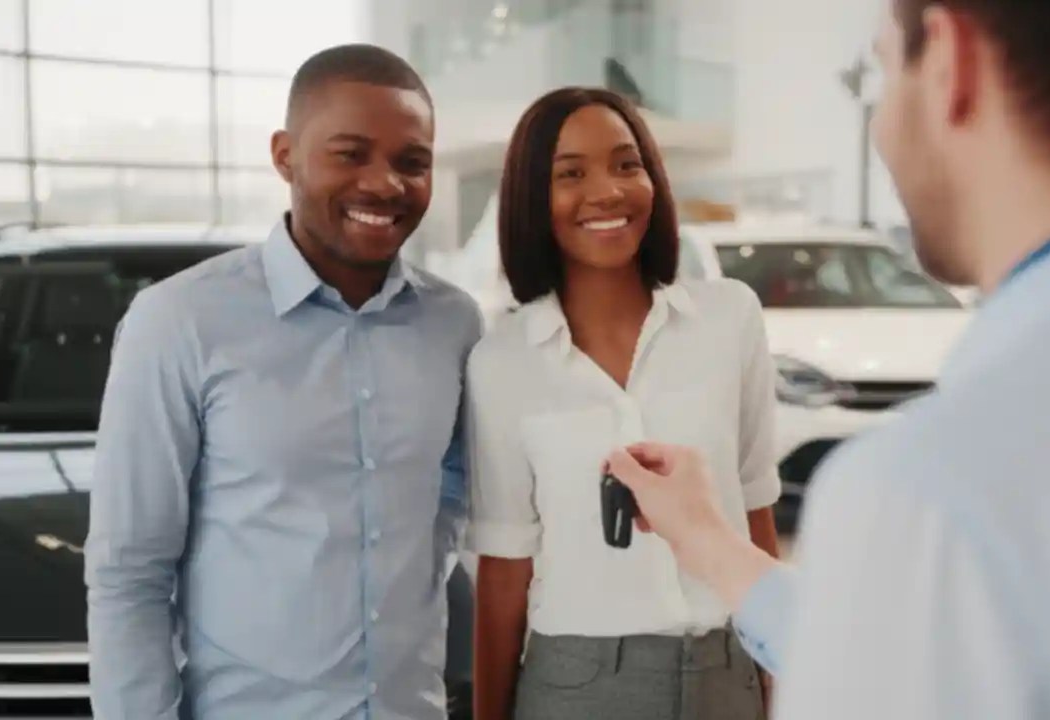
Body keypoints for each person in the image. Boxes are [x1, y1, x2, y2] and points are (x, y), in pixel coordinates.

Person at [607, 0, 1050, 717]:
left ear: (947, 60)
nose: (880, 128)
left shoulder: (933, 492)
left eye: (881, 71)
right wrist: (712, 543)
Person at [85, 45, 482, 720]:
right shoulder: (180, 322)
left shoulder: (454, 324)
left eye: (411, 162)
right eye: (350, 153)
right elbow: (129, 571)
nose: (384, 184)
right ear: (284, 155)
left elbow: (448, 498)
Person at [467, 87, 782, 720]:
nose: (607, 191)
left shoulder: (730, 318)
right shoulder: (501, 362)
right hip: (576, 688)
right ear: (533, 197)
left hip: (728, 676)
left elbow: (755, 513)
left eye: (626, 163)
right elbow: (504, 571)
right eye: (570, 174)